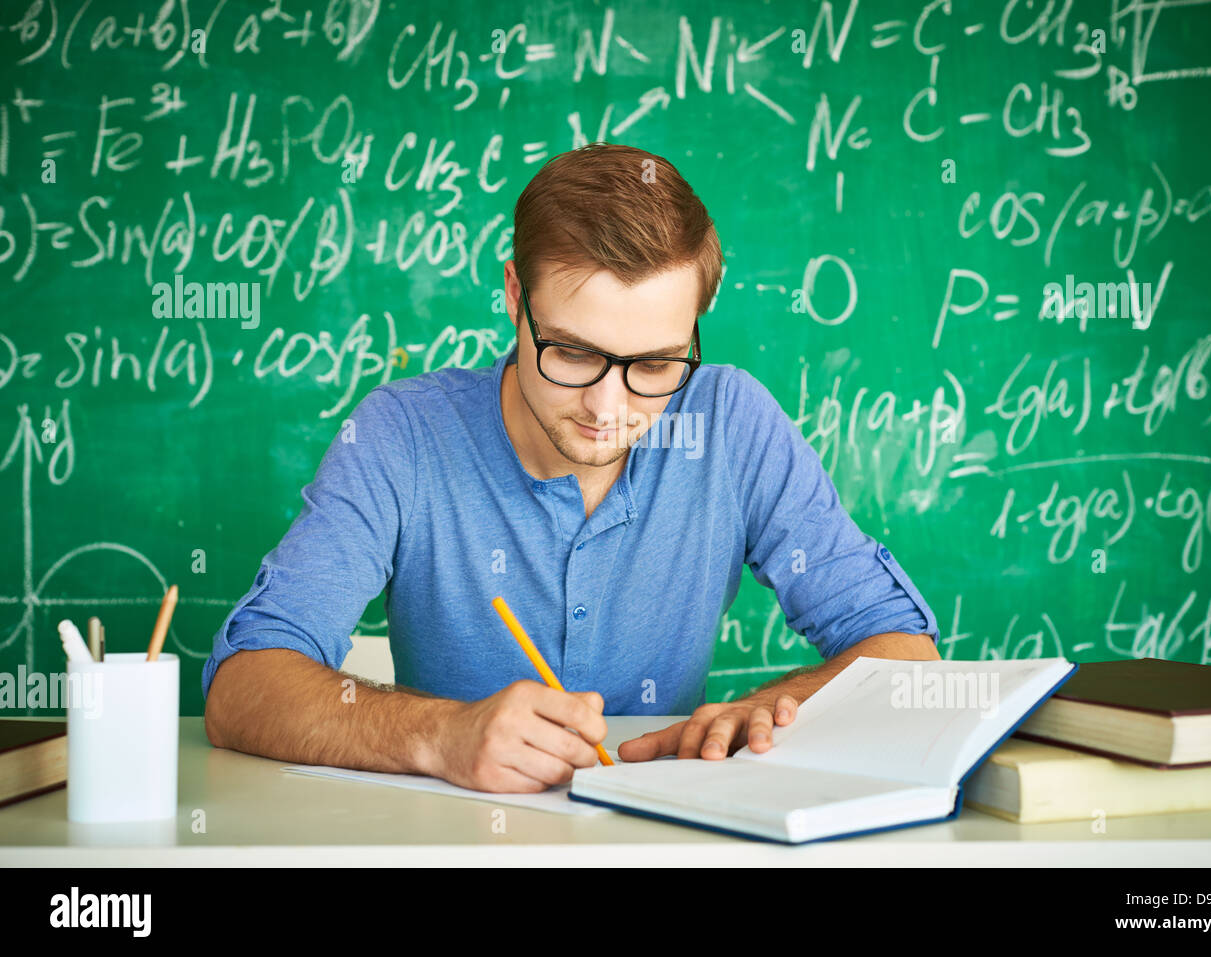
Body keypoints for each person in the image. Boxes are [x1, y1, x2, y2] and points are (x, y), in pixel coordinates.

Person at [202, 142, 941, 793]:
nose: (607, 405)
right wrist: (439, 734)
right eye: (575, 353)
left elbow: (905, 650)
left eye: (654, 363)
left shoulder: (732, 424)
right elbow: (244, 685)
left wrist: (783, 703)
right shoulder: (404, 435)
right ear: (516, 296)